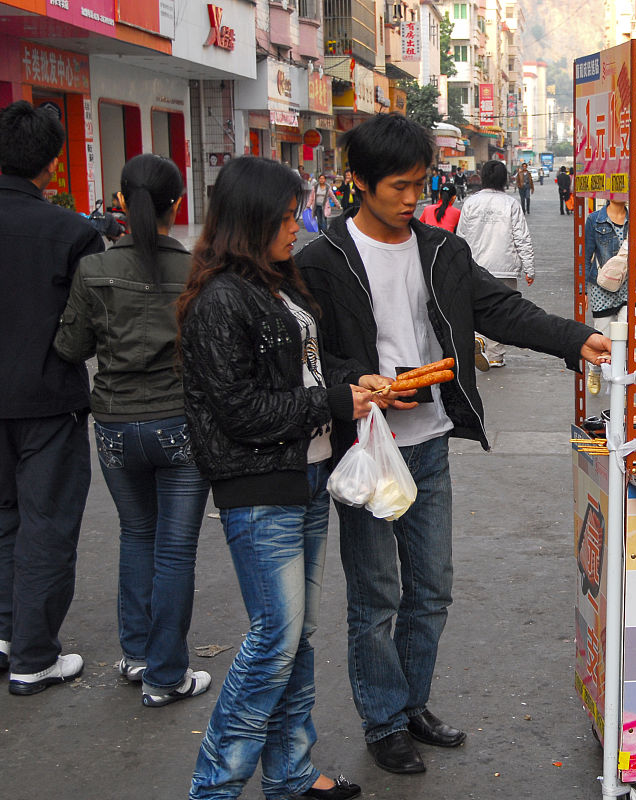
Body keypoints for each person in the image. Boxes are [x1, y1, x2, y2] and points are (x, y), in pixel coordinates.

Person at [292, 112, 609, 778]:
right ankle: (384, 720)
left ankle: (411, 704)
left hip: (429, 441)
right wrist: (362, 383)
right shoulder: (321, 261)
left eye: (420, 184)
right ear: (358, 182)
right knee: (376, 595)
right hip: (366, 449)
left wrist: (574, 338)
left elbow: (500, 309)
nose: (412, 198)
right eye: (397, 187)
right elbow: (311, 357)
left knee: (431, 590)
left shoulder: (440, 249)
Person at [179, 156, 385, 800]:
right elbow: (238, 410)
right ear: (251, 221)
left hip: (307, 477)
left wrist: (355, 383)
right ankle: (214, 784)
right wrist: (331, 404)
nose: (297, 227)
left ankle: (291, 769)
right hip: (258, 487)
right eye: (286, 217)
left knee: (298, 636)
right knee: (274, 639)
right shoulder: (219, 300)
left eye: (297, 215)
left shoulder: (279, 284)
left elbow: (310, 371)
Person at [53, 154, 213, 708]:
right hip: (180, 426)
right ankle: (166, 675)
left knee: (136, 535)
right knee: (174, 550)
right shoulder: (196, 269)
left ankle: (139, 655)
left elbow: (71, 347)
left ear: (120, 202)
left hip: (116, 424)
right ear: (177, 203)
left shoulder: (94, 271)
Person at [0, 101, 103, 693]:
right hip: (46, 398)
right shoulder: (73, 234)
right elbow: (88, 326)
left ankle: (9, 631)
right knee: (46, 523)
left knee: (4, 519)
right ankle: (34, 655)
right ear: (52, 165)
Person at [457, 159, 536, 369]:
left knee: (475, 308)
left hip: (475, 267)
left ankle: (478, 339)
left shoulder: (471, 203)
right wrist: (529, 268)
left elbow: (461, 236)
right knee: (503, 312)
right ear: (504, 179)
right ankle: (495, 355)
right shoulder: (510, 204)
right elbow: (522, 238)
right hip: (505, 267)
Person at [583, 196, 629, 395]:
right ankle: (594, 370)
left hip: (627, 289)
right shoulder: (594, 220)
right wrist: (583, 291)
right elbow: (584, 256)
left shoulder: (635, 219)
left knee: (624, 337)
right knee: (603, 338)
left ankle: (620, 380)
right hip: (601, 288)